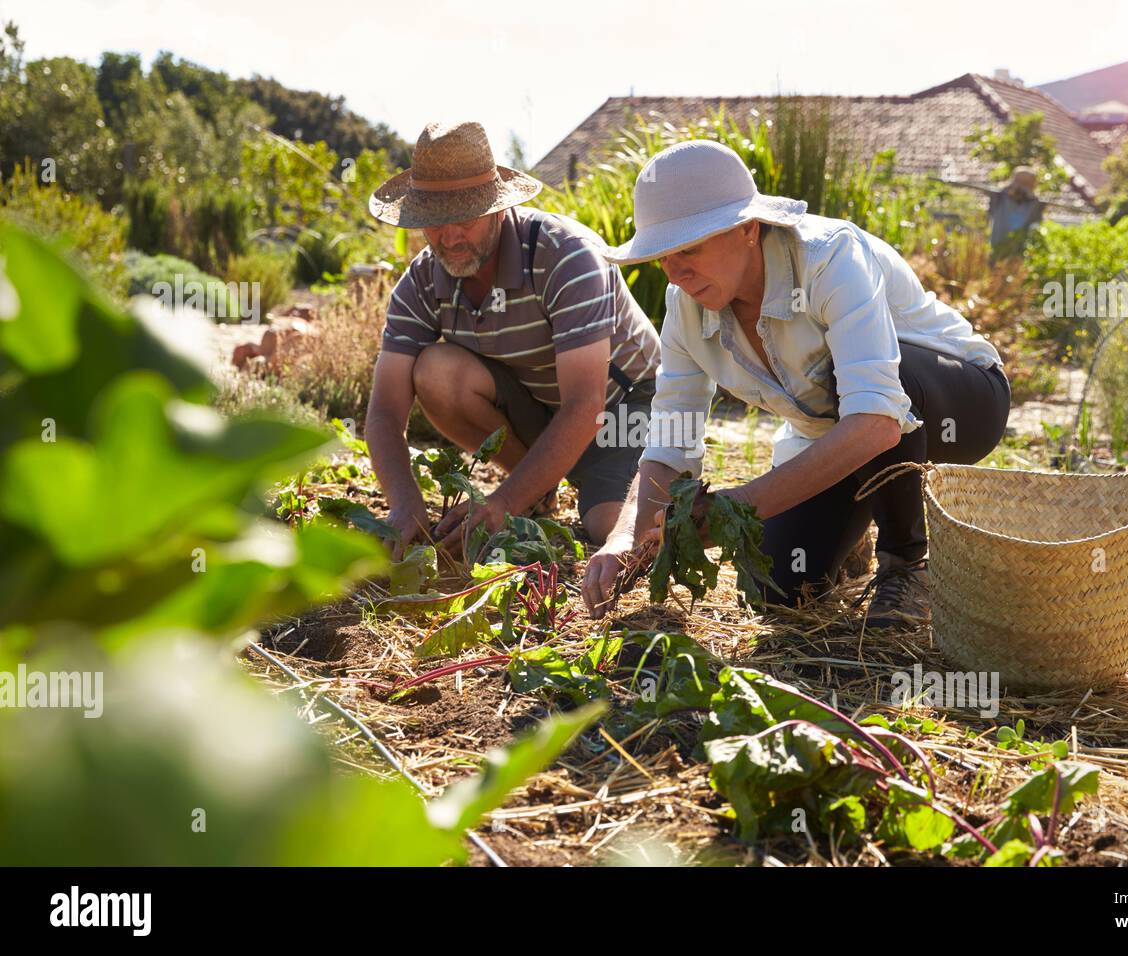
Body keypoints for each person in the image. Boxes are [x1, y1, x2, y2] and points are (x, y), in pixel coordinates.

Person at [581, 140, 1010, 627]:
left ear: (746, 229)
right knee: (775, 589)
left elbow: (877, 422)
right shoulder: (685, 305)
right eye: (662, 256)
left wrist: (732, 507)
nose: (674, 271)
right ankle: (860, 514)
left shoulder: (830, 258)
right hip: (840, 435)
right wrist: (626, 539)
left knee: (886, 392)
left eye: (690, 249)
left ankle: (906, 564)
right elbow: (671, 438)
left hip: (961, 402)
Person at [365, 121, 661, 559]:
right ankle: (538, 490)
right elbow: (384, 414)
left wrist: (502, 502)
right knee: (436, 371)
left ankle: (667, 480)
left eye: (463, 216)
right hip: (542, 406)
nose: (449, 237)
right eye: (433, 222)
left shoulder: (566, 256)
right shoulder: (423, 280)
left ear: (497, 207)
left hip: (623, 406)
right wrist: (405, 506)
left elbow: (585, 405)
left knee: (608, 528)